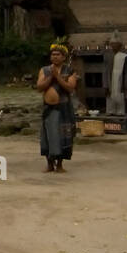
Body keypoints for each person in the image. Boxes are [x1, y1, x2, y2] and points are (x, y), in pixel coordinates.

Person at [36, 43, 77, 172]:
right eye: (53, 55)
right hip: (49, 109)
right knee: (48, 136)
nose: (55, 57)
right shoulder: (44, 70)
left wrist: (58, 77)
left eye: (58, 55)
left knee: (63, 135)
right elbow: (39, 87)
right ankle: (49, 164)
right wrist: (51, 76)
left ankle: (59, 164)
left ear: (64, 57)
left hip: (63, 108)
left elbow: (70, 88)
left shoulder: (69, 71)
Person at [102, 34, 127, 117]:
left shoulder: (124, 56)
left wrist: (125, 85)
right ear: (110, 45)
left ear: (120, 45)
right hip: (110, 79)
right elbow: (105, 70)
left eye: (116, 44)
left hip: (119, 80)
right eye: (112, 44)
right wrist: (105, 85)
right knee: (110, 95)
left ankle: (120, 112)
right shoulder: (107, 55)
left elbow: (126, 71)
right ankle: (110, 111)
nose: (114, 46)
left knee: (119, 95)